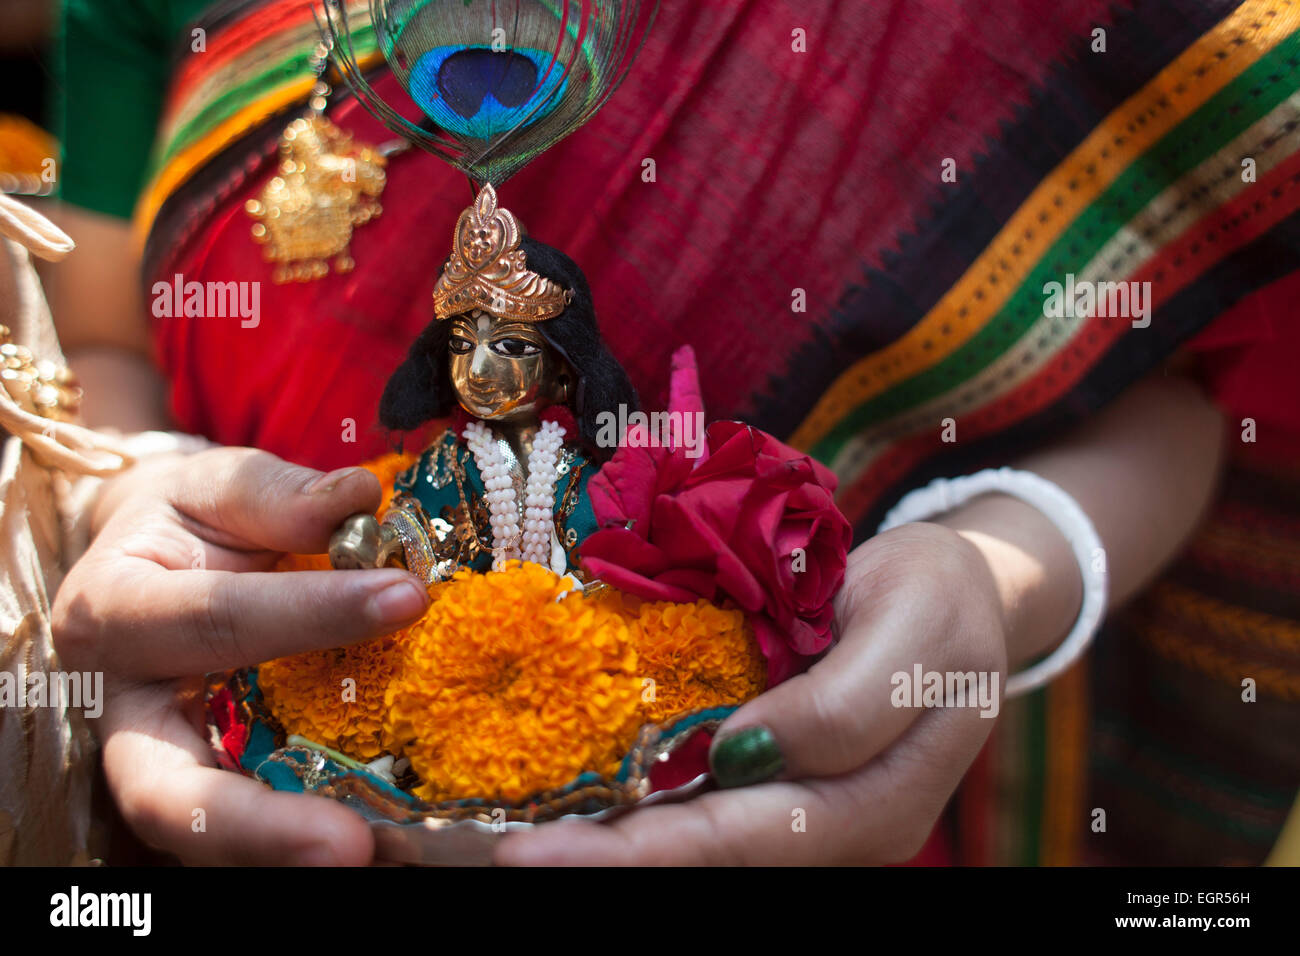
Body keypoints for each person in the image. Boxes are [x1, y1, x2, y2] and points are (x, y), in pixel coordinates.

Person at [46, 0, 1300, 866]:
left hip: (774, 784)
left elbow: (1183, 369)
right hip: (277, 745)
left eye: (517, 351)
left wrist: (989, 574)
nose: (491, 370)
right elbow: (100, 341)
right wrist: (147, 500)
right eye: (468, 350)